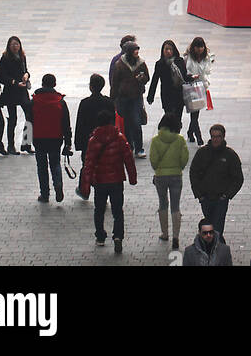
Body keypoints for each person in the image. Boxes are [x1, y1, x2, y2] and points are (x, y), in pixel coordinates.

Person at [79, 109, 138, 254]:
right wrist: (132, 177)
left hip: (100, 181)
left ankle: (100, 236)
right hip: (117, 180)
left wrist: (85, 185)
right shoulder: (120, 138)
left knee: (99, 210)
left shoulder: (93, 140)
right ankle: (118, 236)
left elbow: (89, 164)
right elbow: (128, 159)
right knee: (118, 210)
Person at [188, 123, 243, 242]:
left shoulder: (230, 155)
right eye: (213, 136)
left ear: (223, 137)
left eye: (218, 136)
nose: (215, 139)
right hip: (206, 197)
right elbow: (193, 173)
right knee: (210, 225)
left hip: (221, 199)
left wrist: (227, 195)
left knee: (217, 228)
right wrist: (199, 194)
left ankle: (216, 251)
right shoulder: (202, 153)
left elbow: (238, 178)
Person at [150, 111, 190, 249]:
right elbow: (184, 158)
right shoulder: (180, 139)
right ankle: (176, 237)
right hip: (175, 175)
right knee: (175, 206)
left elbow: (153, 160)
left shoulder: (155, 140)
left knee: (163, 203)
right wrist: (179, 167)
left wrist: (158, 169)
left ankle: (165, 233)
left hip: (160, 175)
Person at [31, 73, 72, 203]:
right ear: (54, 84)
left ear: (42, 84)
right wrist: (68, 141)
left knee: (42, 166)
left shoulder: (35, 101)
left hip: (39, 138)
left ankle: (45, 194)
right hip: (56, 138)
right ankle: (58, 185)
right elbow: (66, 123)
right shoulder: (60, 101)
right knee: (55, 163)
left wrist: (26, 141)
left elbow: (29, 121)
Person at [110, 40, 150, 158]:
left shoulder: (141, 63)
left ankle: (139, 147)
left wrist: (142, 78)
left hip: (136, 97)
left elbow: (147, 77)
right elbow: (115, 82)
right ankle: (129, 146)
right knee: (126, 124)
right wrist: (113, 99)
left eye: (137, 49)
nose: (137, 52)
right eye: (134, 50)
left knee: (136, 122)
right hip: (123, 98)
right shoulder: (120, 64)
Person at [0, 36, 33, 154]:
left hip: (22, 90)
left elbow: (26, 70)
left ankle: (26, 143)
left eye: (17, 44)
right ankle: (11, 145)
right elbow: (2, 76)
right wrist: (14, 82)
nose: (15, 46)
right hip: (11, 92)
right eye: (13, 44)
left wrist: (27, 75)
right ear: (9, 46)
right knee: (12, 119)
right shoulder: (5, 58)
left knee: (30, 114)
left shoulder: (22, 56)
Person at [74, 74, 114, 168]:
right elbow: (113, 123)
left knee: (87, 167)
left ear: (91, 87)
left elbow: (80, 124)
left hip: (88, 142)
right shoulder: (108, 102)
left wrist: (78, 143)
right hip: (105, 141)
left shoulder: (85, 103)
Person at [148, 40, 188, 126]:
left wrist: (192, 78)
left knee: (178, 117)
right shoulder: (160, 63)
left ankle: (176, 135)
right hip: (167, 95)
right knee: (169, 117)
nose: (168, 51)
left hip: (178, 94)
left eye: (170, 49)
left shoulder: (179, 61)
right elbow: (155, 80)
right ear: (163, 51)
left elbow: (184, 76)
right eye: (166, 49)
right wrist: (150, 96)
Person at [183, 37, 213, 144]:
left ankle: (190, 132)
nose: (199, 49)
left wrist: (206, 83)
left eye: (201, 47)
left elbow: (208, 72)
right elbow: (184, 73)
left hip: (202, 87)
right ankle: (198, 136)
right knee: (194, 113)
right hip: (191, 88)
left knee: (195, 113)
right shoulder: (187, 59)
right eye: (197, 47)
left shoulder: (207, 58)